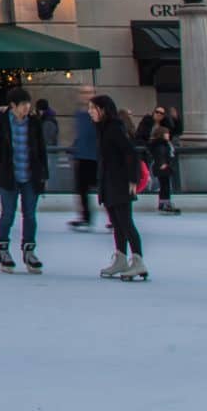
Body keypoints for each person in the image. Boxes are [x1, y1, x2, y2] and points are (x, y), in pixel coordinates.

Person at [0, 88, 47, 274]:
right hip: (9, 176)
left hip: (30, 176)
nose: (27, 107)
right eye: (23, 104)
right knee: (8, 214)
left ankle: (29, 251)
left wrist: (44, 175)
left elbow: (42, 150)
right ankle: (3, 249)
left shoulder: (34, 122)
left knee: (30, 215)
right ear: (13, 105)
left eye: (28, 103)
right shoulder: (0, 122)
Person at [88, 96, 146, 280]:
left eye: (93, 108)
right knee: (117, 223)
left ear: (103, 110)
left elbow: (130, 152)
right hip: (109, 182)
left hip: (120, 182)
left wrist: (132, 179)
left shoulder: (114, 128)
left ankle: (138, 261)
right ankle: (121, 258)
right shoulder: (103, 128)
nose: (90, 111)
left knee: (125, 222)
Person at [68, 87, 101, 232]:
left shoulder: (99, 114)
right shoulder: (79, 115)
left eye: (88, 93)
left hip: (97, 158)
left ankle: (114, 218)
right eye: (83, 93)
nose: (86, 96)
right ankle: (85, 218)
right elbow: (79, 135)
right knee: (81, 190)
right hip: (82, 157)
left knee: (105, 189)